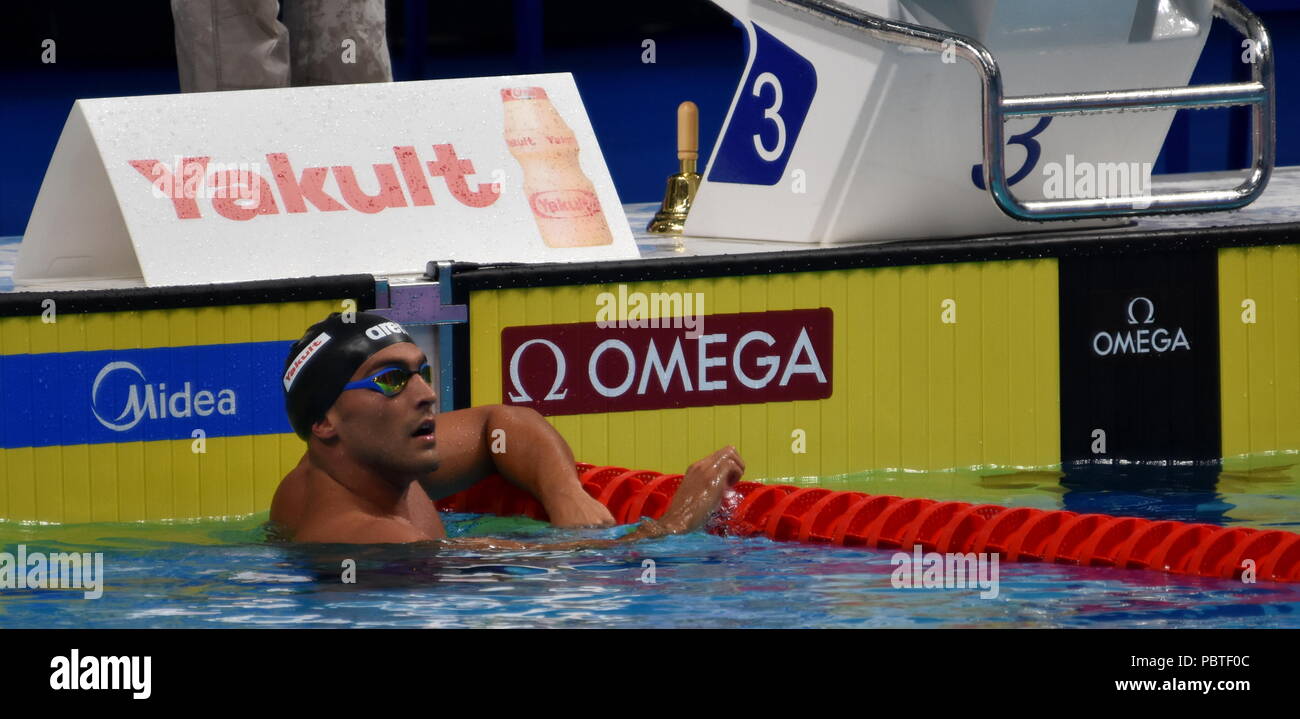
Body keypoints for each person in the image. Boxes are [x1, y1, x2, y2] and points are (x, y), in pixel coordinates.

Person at [270, 312, 746, 547]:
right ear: (324, 422)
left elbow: (498, 423)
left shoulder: (360, 463)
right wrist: (678, 522)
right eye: (392, 380)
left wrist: (565, 492)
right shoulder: (370, 538)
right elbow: (564, 569)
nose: (425, 394)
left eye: (422, 373)